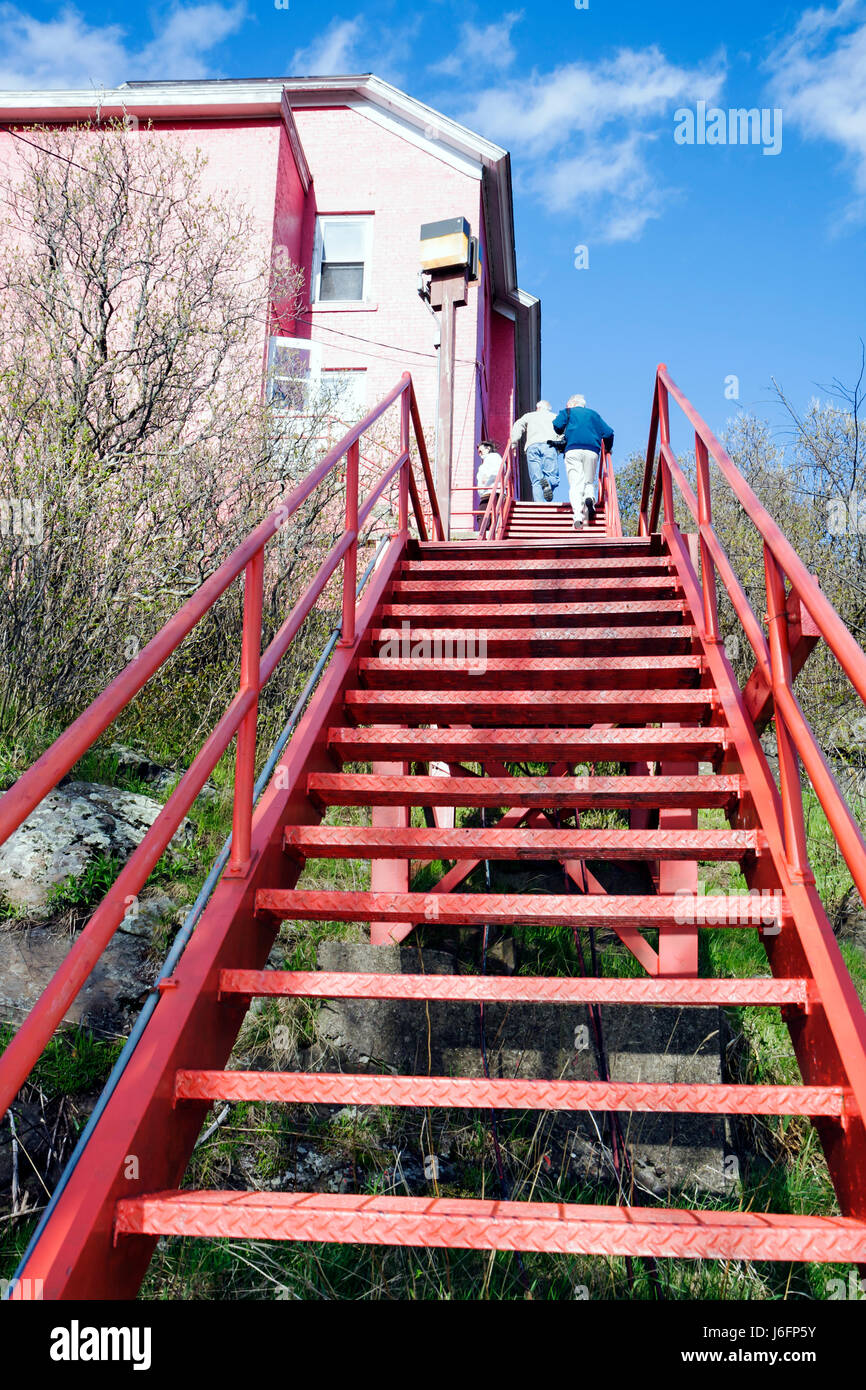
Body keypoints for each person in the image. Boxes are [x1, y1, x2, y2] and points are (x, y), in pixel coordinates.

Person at [552, 394, 614, 529]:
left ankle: (578, 516)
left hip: (573, 450)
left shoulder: (568, 412)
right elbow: (609, 433)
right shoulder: (594, 415)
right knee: (588, 481)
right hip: (592, 451)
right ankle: (589, 499)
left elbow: (557, 426)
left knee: (576, 484)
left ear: (572, 403)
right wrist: (608, 449)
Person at [510, 399, 560, 502]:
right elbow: (563, 432)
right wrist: (559, 447)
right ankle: (548, 484)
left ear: (538, 408)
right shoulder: (555, 417)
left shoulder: (529, 416)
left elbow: (518, 425)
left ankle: (539, 504)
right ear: (548, 409)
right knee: (553, 477)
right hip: (549, 446)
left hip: (532, 446)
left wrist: (514, 442)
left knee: (536, 480)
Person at [475, 439, 502, 519]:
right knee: (483, 516)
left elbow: (498, 470)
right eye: (478, 452)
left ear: (488, 448)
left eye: (481, 451)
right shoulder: (486, 462)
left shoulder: (494, 457)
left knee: (483, 517)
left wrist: (487, 477)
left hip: (492, 492)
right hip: (486, 493)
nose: (479, 454)